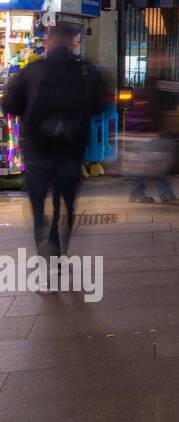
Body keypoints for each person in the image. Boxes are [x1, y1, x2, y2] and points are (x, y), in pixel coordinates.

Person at [1, 25, 109, 257]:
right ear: (73, 42)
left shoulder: (32, 70)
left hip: (37, 149)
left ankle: (42, 234)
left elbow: (9, 104)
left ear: (48, 41)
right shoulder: (86, 70)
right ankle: (59, 246)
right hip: (71, 147)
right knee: (66, 200)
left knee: (38, 201)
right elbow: (100, 104)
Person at [122, 78, 179, 204]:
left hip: (149, 133)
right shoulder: (150, 94)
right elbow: (151, 114)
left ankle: (143, 193)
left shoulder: (148, 93)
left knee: (150, 165)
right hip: (149, 134)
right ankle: (164, 194)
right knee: (155, 165)